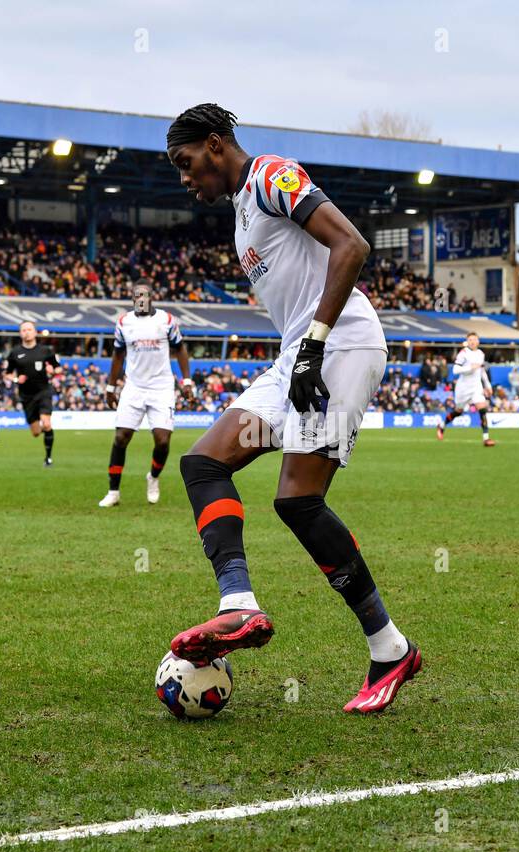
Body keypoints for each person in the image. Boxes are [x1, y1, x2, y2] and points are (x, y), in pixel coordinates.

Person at [164, 103, 419, 714]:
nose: (185, 176)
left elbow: (351, 245)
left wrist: (315, 344)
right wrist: (300, 353)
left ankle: (391, 649)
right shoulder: (240, 215)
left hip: (340, 350)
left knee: (298, 500)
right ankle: (238, 606)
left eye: (186, 162)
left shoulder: (273, 177)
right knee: (203, 463)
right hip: (294, 363)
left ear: (216, 143)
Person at [100, 282, 193, 507]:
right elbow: (118, 356)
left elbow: (180, 348)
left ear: (152, 297)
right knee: (121, 437)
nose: (140, 299)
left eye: (144, 295)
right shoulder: (124, 322)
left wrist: (187, 380)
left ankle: (153, 477)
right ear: (132, 299)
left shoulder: (166, 320)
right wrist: (111, 387)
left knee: (162, 441)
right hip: (134, 387)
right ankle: (113, 491)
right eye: (136, 295)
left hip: (161, 387)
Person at [0, 320, 59, 466]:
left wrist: (53, 370)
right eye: (24, 330)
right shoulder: (15, 353)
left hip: (44, 391)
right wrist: (15, 379)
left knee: (46, 423)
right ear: (20, 333)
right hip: (26, 396)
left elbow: (58, 369)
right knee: (36, 432)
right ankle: (45, 433)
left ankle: (48, 458)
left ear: (35, 332)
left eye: (29, 329)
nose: (26, 332)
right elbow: (7, 374)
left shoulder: (46, 351)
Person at [436, 333, 496, 445]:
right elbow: (455, 370)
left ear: (478, 341)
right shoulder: (463, 353)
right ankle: (442, 425)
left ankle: (486, 438)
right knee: (458, 411)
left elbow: (481, 371)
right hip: (463, 388)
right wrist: (469, 367)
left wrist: (488, 385)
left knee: (482, 409)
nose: (472, 342)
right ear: (467, 342)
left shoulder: (480, 354)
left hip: (476, 387)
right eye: (470, 340)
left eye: (474, 339)